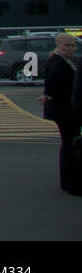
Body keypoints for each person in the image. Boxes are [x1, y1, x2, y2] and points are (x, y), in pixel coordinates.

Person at [39, 32, 80, 195]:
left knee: (68, 144)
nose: (71, 48)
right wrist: (50, 96)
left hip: (64, 108)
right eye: (67, 45)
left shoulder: (62, 60)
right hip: (65, 110)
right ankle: (70, 181)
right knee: (69, 144)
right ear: (59, 45)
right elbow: (52, 85)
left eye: (73, 45)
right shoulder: (58, 62)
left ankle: (68, 180)